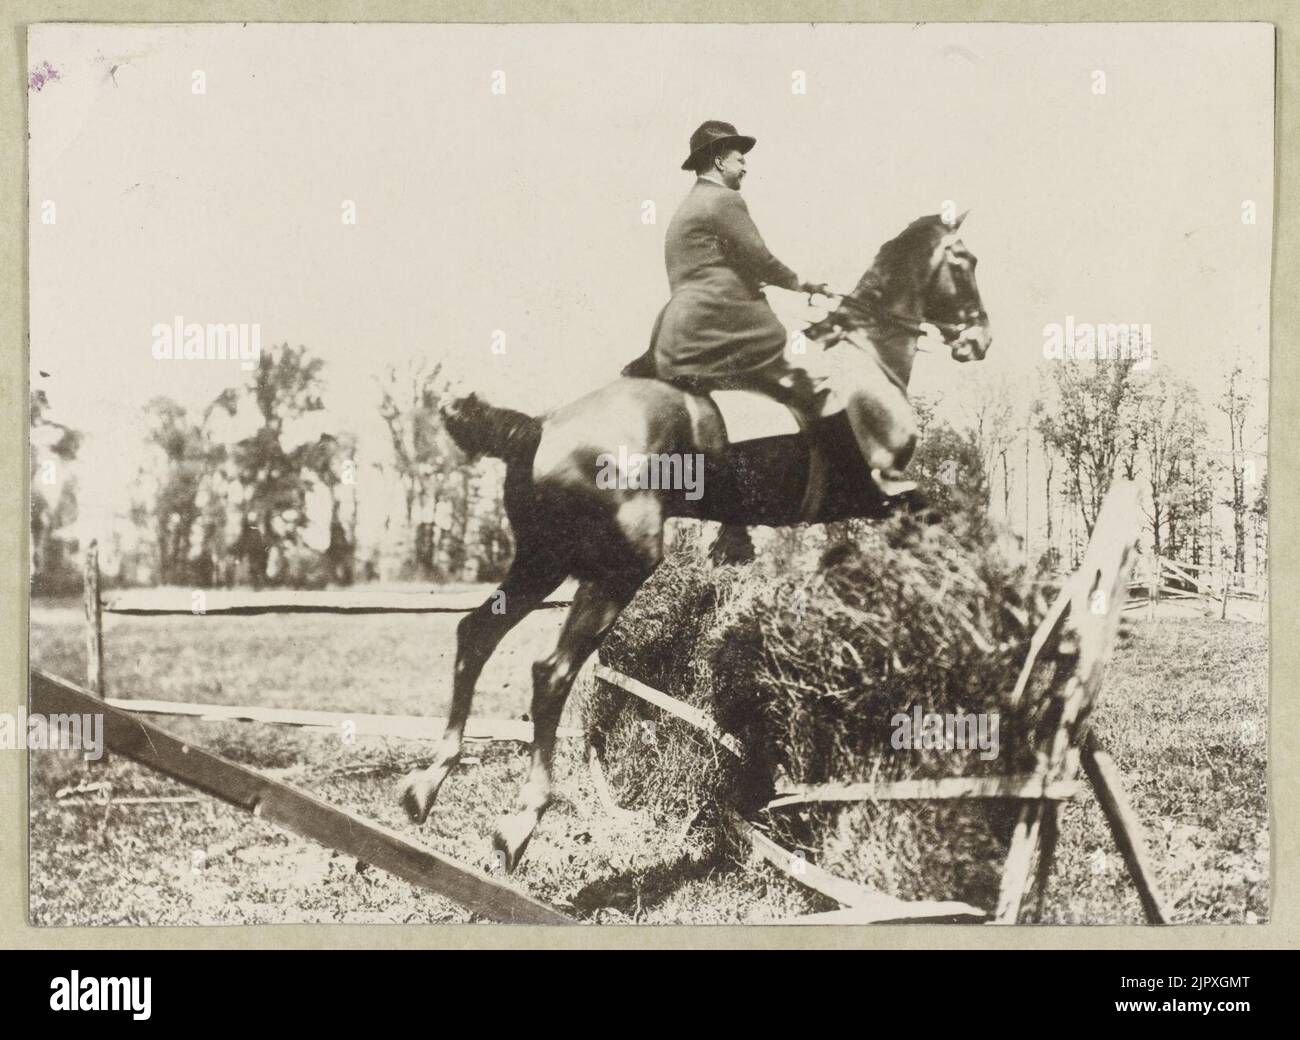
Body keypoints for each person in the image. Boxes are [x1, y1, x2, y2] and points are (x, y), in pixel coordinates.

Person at [623, 120, 828, 423]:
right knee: (809, 372)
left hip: (679, 324)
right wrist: (802, 283)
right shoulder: (723, 199)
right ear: (719, 161)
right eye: (740, 159)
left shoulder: (692, 202)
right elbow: (759, 258)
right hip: (720, 317)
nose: (746, 167)